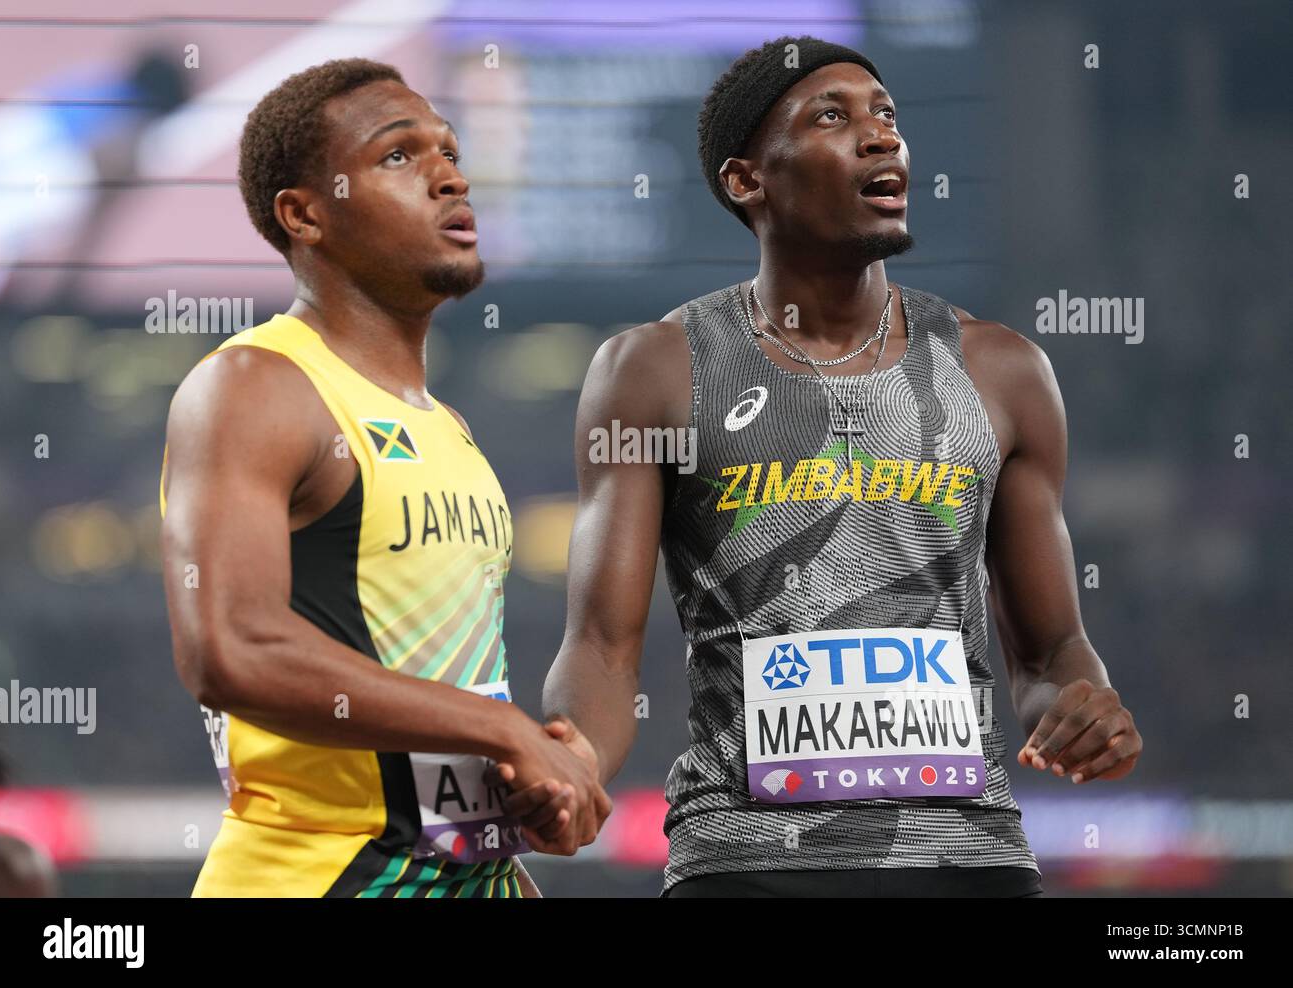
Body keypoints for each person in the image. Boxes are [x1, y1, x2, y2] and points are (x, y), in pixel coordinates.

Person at [539, 36, 1142, 897]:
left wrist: (1088, 710)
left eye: (887, 116)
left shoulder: (1002, 371)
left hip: (966, 857)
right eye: (833, 116)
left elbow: (1050, 659)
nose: (881, 137)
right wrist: (573, 756)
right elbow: (601, 644)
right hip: (746, 858)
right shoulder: (656, 369)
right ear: (745, 180)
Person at [160, 58, 608, 898]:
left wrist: (525, 790)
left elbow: (443, 692)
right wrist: (500, 727)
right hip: (316, 877)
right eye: (398, 156)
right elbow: (231, 648)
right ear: (304, 214)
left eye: (449, 149)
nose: (449, 175)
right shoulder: (254, 385)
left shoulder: (450, 429)